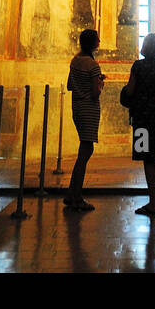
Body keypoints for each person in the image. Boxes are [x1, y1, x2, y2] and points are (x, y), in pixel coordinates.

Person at [122, 33, 155, 218]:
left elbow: (130, 90)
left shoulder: (138, 66)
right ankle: (154, 201)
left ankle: (152, 203)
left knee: (146, 157)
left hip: (142, 118)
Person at [64, 28, 104, 211]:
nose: (100, 42)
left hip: (78, 108)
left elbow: (70, 85)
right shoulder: (92, 65)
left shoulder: (75, 61)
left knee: (84, 151)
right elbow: (95, 92)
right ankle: (76, 197)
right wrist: (100, 83)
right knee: (84, 153)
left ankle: (71, 193)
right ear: (92, 43)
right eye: (97, 39)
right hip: (89, 109)